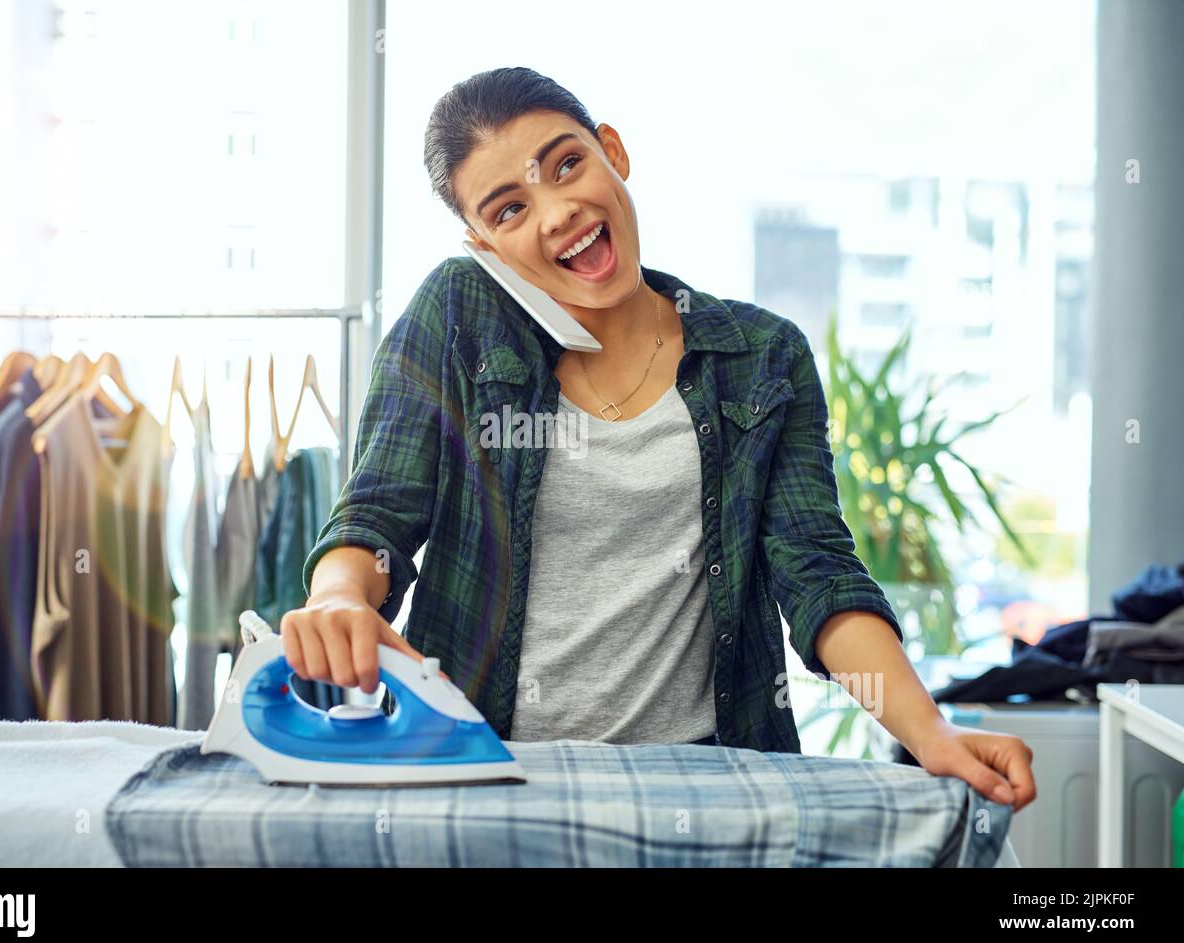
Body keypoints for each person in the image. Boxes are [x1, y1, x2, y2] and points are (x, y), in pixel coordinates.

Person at [280, 66, 1035, 812]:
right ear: (483, 242)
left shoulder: (762, 358)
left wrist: (929, 730)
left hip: (708, 788)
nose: (554, 214)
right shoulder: (457, 315)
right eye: (509, 210)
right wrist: (339, 595)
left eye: (567, 163)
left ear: (614, 150)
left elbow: (817, 573)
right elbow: (376, 516)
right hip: (488, 781)